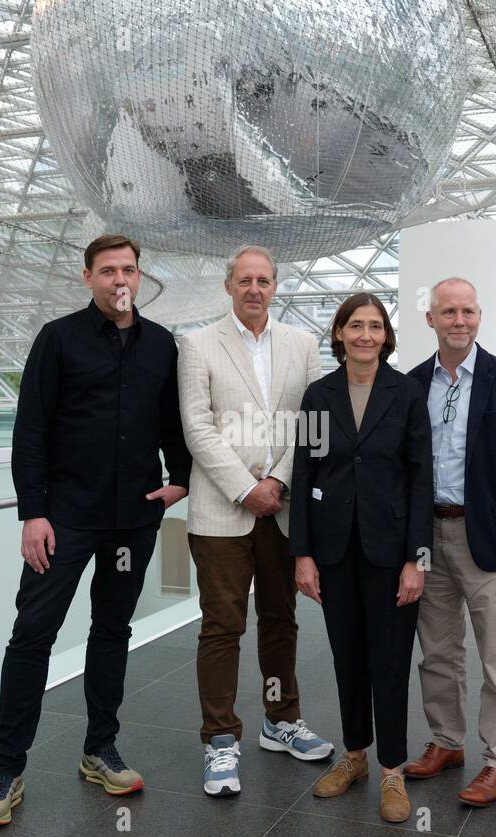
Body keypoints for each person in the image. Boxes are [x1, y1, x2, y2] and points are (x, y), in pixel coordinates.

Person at [0, 234, 190, 826]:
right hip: (64, 519)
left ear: (141, 277)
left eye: (130, 270)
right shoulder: (58, 339)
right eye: (108, 270)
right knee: (32, 634)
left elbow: (175, 423)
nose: (120, 279)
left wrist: (182, 480)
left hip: (132, 519)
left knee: (111, 631)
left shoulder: (162, 345)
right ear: (88, 277)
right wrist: (32, 513)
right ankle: (6, 768)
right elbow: (31, 430)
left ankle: (100, 749)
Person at [177, 245, 332, 797]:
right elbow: (198, 428)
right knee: (222, 626)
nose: (255, 289)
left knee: (280, 618)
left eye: (264, 280)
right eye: (245, 280)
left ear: (275, 286)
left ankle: (280, 719)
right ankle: (220, 740)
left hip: (283, 507)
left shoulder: (302, 344)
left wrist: (279, 485)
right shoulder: (197, 344)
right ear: (229, 286)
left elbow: (312, 424)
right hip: (222, 510)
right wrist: (246, 488)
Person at [402, 278, 496, 806]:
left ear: (479, 317)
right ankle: (446, 742)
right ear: (431, 319)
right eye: (448, 312)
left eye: (467, 312)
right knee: (437, 652)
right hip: (427, 539)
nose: (458, 321)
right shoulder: (413, 383)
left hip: (488, 538)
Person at [289, 292, 433, 823]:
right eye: (356, 325)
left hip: (391, 550)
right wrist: (302, 553)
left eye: (375, 326)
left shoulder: (407, 393)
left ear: (386, 337)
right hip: (333, 550)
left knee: (389, 662)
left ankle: (392, 768)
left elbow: (421, 478)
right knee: (347, 656)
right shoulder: (319, 395)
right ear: (340, 334)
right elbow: (306, 473)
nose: (365, 335)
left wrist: (418, 560)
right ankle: (355, 757)